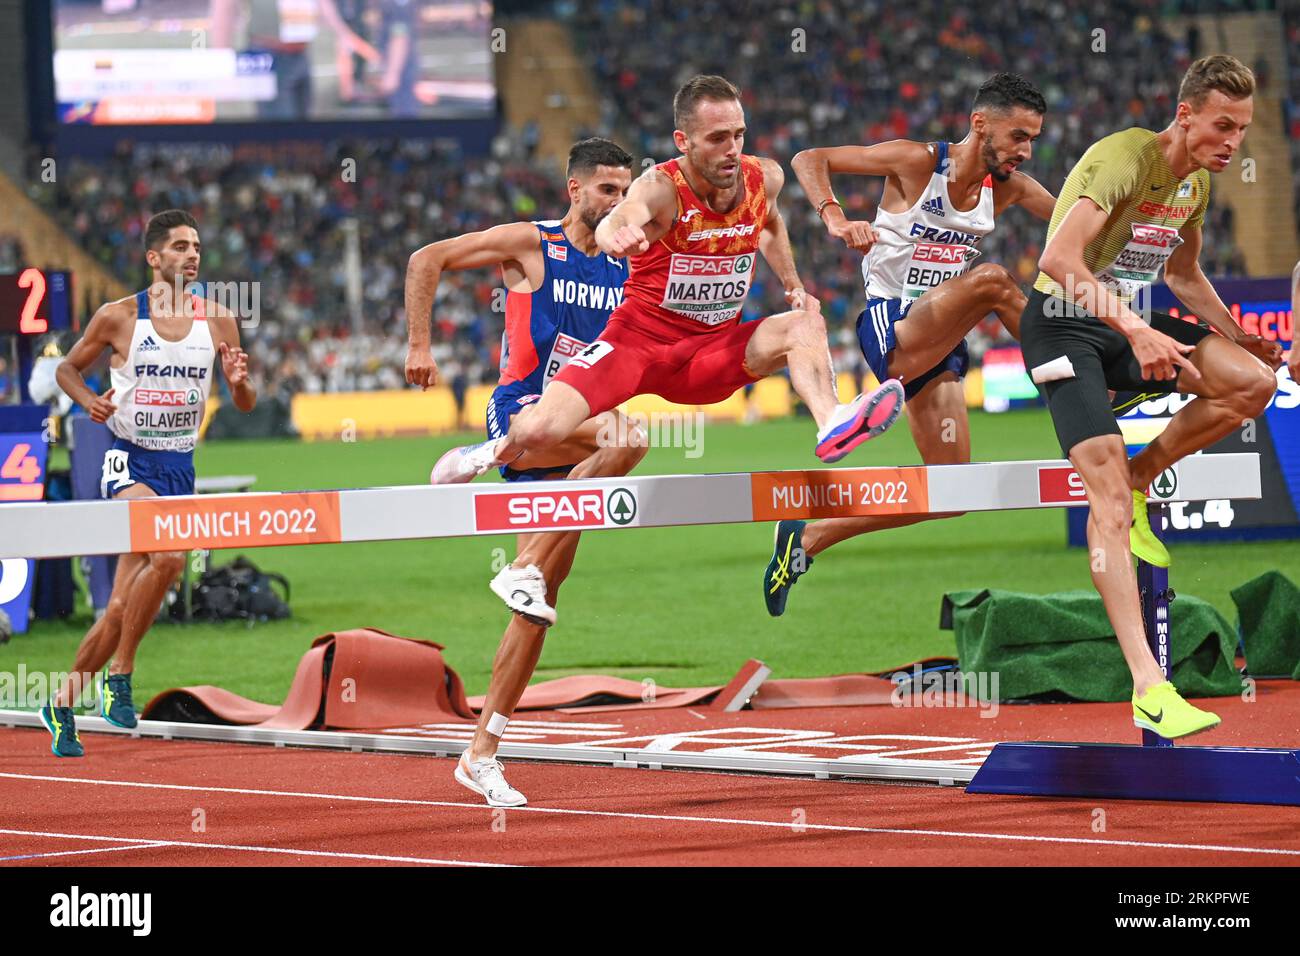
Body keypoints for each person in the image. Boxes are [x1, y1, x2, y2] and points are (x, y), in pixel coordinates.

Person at [450, 76, 906, 616]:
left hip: (708, 357)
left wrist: (793, 284)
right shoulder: (660, 187)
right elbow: (620, 218)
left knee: (804, 322)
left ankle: (832, 421)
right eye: (716, 138)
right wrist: (613, 234)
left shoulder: (766, 178)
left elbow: (771, 224)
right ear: (683, 141)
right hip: (637, 346)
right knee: (538, 429)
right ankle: (489, 456)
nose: (732, 148)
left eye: (738, 134)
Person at [1020, 54, 1281, 739]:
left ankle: (1142, 476)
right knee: (1102, 502)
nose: (1232, 142)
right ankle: (1149, 686)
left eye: (1243, 131)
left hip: (1119, 326)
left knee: (1253, 384)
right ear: (1185, 114)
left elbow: (1185, 275)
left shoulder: (1194, 187)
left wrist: (1239, 336)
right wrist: (1137, 330)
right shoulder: (1126, 158)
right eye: (1222, 125)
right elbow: (1057, 261)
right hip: (1062, 325)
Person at [405, 138, 645, 806]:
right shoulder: (530, 244)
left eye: (626, 190)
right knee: (632, 437)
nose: (618, 202)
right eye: (606, 189)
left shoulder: (630, 265)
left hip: (576, 449)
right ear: (574, 189)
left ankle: (481, 752)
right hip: (523, 413)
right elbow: (429, 257)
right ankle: (492, 454)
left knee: (536, 611)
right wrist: (420, 345)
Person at [765, 73, 1056, 615]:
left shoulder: (1009, 188)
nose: (1026, 150)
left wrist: (1151, 221)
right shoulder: (918, 162)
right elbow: (810, 157)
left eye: (1033, 139)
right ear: (980, 124)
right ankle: (1071, 371)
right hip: (891, 325)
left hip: (939, 340)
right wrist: (835, 219)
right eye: (1018, 135)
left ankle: (805, 539)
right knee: (993, 279)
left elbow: (1073, 218)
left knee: (951, 494)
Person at [41, 209, 257, 757]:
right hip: (129, 463)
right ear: (154, 258)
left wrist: (238, 385)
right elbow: (69, 368)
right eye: (181, 246)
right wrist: (90, 402)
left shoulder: (219, 321)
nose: (192, 254)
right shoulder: (118, 317)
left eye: (197, 246)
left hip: (180, 467)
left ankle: (62, 702)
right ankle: (121, 675)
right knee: (169, 557)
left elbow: (246, 402)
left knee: (118, 609)